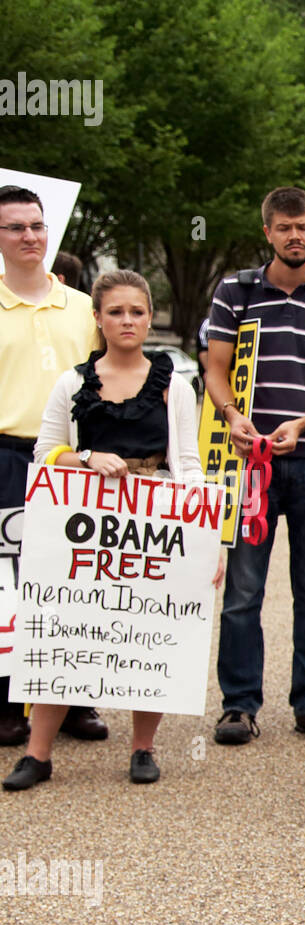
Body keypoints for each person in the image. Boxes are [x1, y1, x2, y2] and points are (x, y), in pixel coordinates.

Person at [4, 270, 220, 790]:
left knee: (152, 634)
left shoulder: (175, 385)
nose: (128, 321)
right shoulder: (74, 382)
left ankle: (143, 748)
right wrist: (84, 458)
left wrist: (205, 543)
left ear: (149, 317)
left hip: (154, 526)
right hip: (82, 527)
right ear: (98, 319)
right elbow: (44, 453)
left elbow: (188, 464)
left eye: (138, 311)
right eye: (117, 312)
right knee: (66, 634)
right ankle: (38, 754)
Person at [205, 186, 305, 745]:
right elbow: (216, 367)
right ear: (267, 232)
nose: (295, 235)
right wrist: (230, 415)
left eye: (304, 227)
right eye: (284, 227)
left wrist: (300, 425)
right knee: (244, 588)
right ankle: (239, 703)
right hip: (252, 461)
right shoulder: (235, 291)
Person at [0, 184, 107, 748]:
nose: (29, 236)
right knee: (7, 582)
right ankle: (5, 703)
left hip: (74, 461)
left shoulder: (81, 307)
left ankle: (74, 700)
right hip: (7, 454)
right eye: (15, 227)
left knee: (75, 577)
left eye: (37, 225)